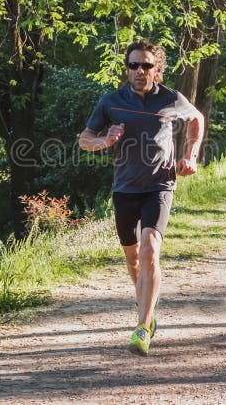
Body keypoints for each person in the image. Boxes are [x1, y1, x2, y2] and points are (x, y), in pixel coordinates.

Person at [79, 39, 204, 356]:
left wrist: (191, 155)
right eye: (133, 65)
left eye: (146, 65)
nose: (139, 71)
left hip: (159, 185)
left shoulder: (171, 99)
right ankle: (147, 309)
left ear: (157, 69)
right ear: (127, 68)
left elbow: (196, 119)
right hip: (124, 189)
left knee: (150, 250)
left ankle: (142, 327)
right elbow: (84, 140)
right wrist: (104, 141)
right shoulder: (112, 101)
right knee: (133, 259)